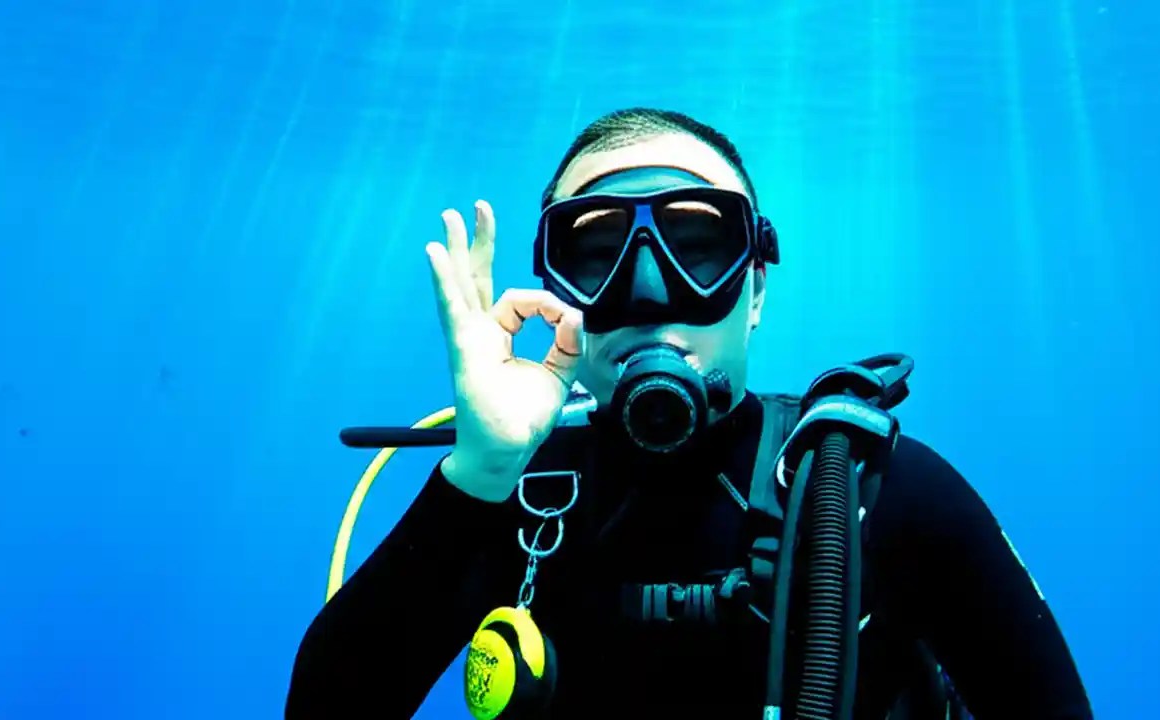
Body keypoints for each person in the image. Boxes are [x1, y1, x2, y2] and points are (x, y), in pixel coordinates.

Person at [285, 108, 1094, 719]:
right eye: (596, 253)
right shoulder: (518, 494)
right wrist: (480, 472)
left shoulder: (874, 493)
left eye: (698, 245)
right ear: (558, 295)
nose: (648, 290)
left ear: (755, 291)